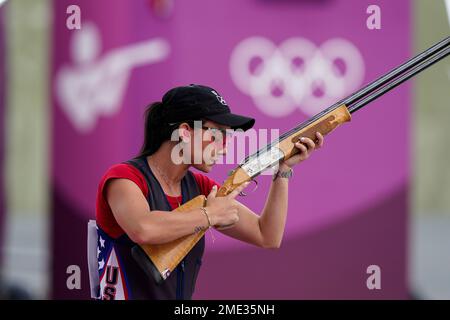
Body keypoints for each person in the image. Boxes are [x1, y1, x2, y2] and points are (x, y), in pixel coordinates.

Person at [95, 84, 324, 300]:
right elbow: (143, 229)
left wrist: (282, 172)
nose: (225, 146)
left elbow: (267, 235)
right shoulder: (125, 178)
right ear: (185, 132)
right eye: (218, 134)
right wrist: (209, 215)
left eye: (229, 136)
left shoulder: (201, 188)